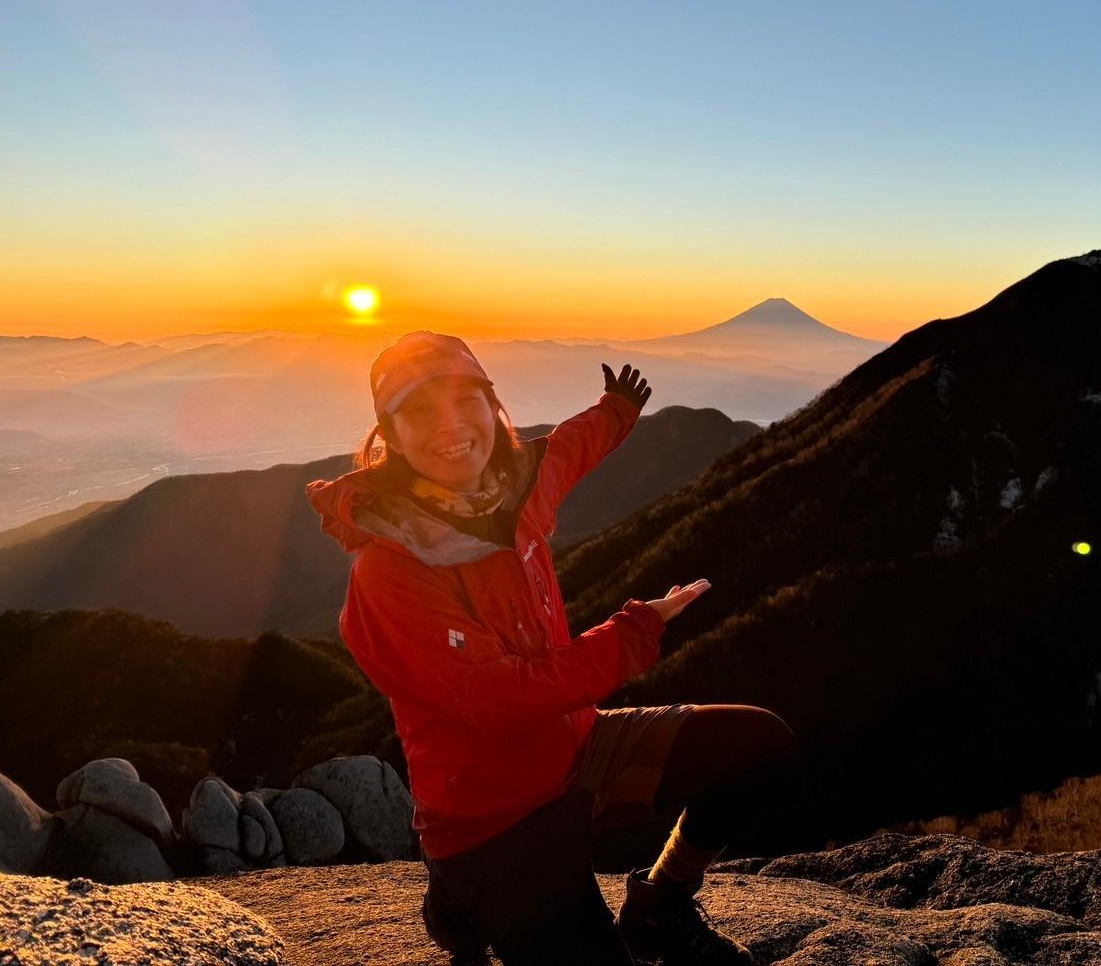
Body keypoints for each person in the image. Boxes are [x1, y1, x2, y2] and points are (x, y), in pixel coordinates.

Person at [305, 331, 798, 965]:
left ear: (493, 408)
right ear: (390, 436)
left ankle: (660, 906)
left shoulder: (514, 489)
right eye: (421, 411)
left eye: (466, 401)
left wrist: (615, 411)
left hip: (578, 749)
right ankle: (460, 894)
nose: (451, 425)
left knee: (759, 745)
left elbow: (566, 452)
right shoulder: (391, 569)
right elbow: (501, 699)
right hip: (492, 821)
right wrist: (634, 630)